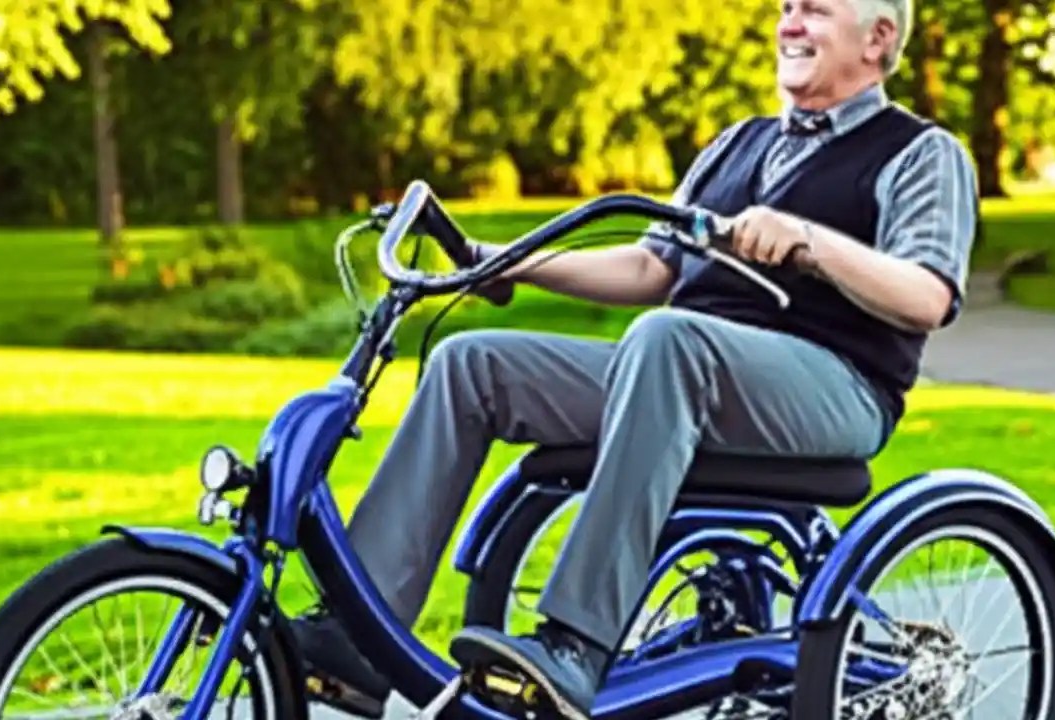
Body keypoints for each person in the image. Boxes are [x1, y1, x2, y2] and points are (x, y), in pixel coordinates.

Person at [291, 0, 978, 717]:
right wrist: (503, 262)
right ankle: (357, 638)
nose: (791, 24)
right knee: (472, 363)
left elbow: (927, 295)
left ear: (878, 39)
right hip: (685, 372)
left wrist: (811, 242)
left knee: (666, 339)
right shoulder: (738, 143)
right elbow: (652, 268)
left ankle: (576, 644)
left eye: (816, 10)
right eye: (786, 9)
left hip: (835, 384)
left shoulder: (921, 153)